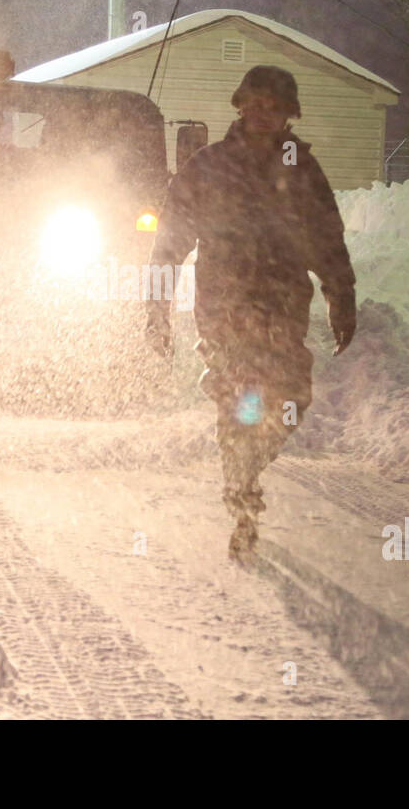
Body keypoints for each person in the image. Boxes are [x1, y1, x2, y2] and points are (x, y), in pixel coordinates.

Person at [145, 65, 357, 562]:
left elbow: (328, 241)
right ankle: (241, 490)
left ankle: (248, 468)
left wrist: (341, 297)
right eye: (254, 104)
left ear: (289, 114)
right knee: (239, 396)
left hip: (284, 304)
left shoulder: (302, 169)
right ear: (240, 105)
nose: (262, 114)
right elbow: (169, 242)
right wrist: (156, 307)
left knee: (290, 399)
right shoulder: (208, 165)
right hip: (224, 305)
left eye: (274, 106)